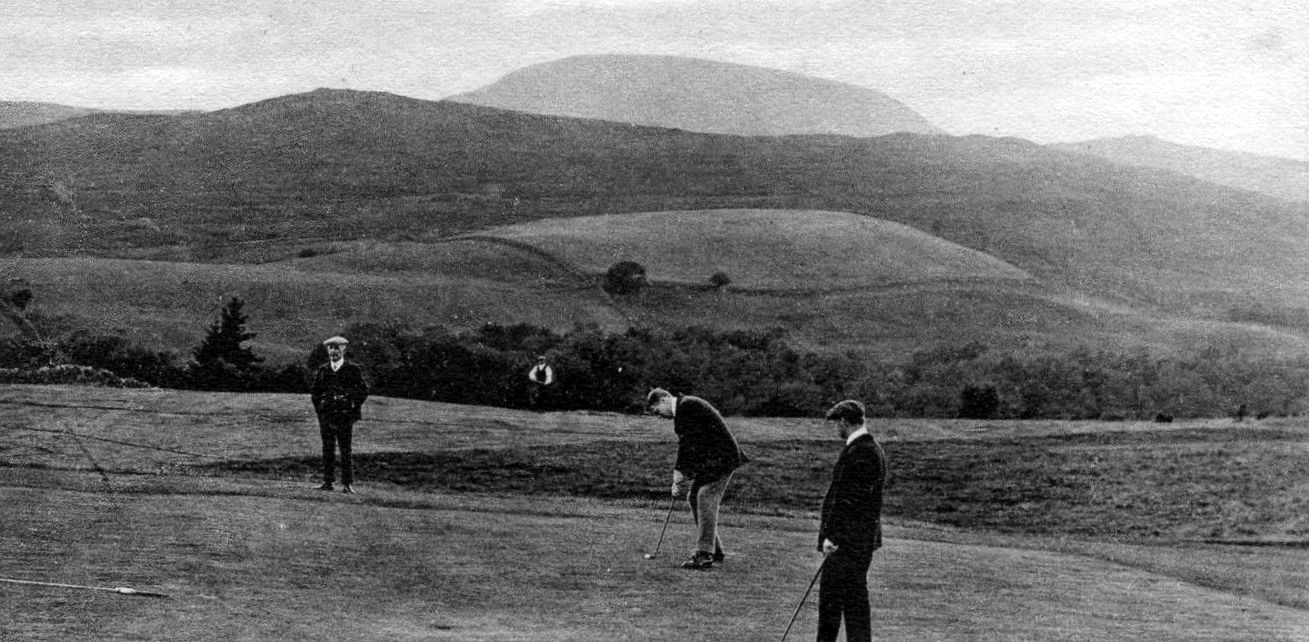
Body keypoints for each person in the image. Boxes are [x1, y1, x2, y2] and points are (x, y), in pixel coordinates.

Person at [646, 388, 749, 570]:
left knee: (705, 496)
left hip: (723, 459)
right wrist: (681, 478)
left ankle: (704, 554)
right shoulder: (685, 409)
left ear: (663, 400)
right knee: (694, 497)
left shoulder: (687, 407)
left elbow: (688, 444)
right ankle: (715, 550)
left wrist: (679, 474)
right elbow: (695, 447)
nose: (659, 416)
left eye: (656, 411)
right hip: (713, 461)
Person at [815, 400, 887, 642]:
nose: (836, 428)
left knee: (832, 603)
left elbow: (849, 501)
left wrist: (832, 537)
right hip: (857, 541)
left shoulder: (861, 452)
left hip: (847, 543)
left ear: (845, 422)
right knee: (854, 600)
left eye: (837, 423)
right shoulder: (867, 448)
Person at [310, 336, 369, 494]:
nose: (333, 351)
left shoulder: (353, 370)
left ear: (343, 350)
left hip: (344, 416)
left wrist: (350, 402)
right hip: (327, 416)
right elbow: (315, 393)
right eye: (331, 348)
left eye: (337, 348)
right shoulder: (323, 370)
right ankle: (328, 481)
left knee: (345, 450)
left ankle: (347, 484)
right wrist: (320, 410)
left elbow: (363, 391)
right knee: (327, 449)